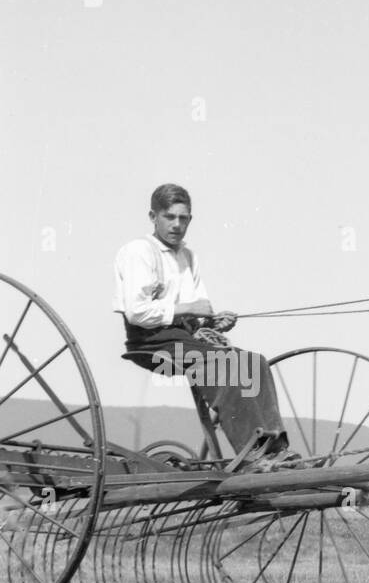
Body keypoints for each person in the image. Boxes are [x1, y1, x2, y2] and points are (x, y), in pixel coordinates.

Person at [114, 183, 294, 470]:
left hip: (184, 338)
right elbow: (137, 312)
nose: (177, 225)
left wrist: (214, 321)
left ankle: (275, 449)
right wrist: (189, 310)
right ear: (153, 216)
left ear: (190, 220)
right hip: (150, 343)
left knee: (253, 362)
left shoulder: (188, 257)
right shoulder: (138, 251)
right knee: (225, 364)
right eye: (169, 217)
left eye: (183, 218)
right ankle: (251, 456)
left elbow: (198, 312)